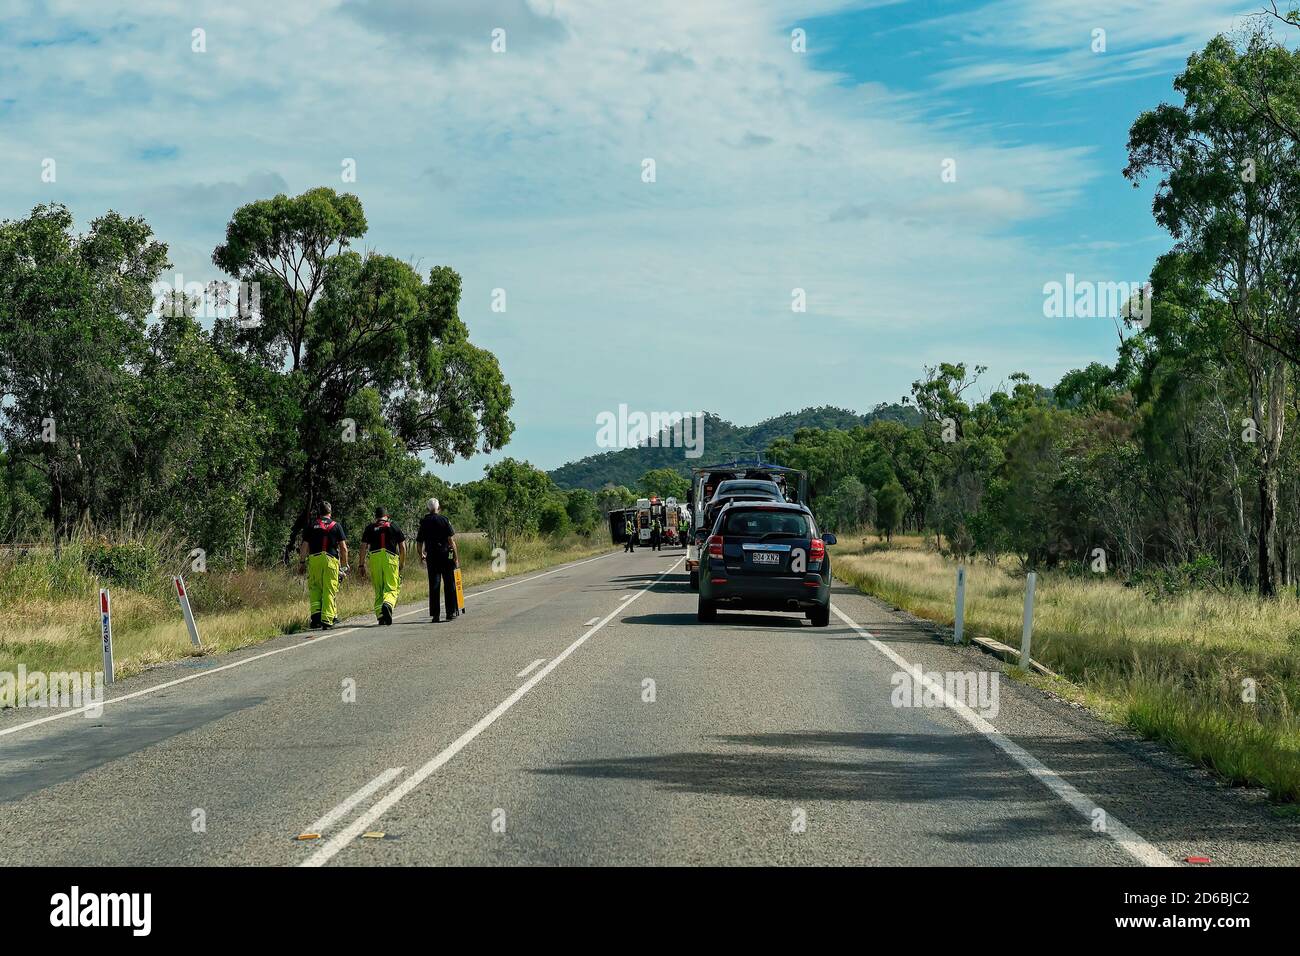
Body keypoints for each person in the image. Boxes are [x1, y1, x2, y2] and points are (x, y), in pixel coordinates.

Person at [300, 502, 348, 630]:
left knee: (315, 587)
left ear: (319, 512)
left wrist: (302, 562)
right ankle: (327, 619)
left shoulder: (311, 525)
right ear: (330, 512)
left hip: (314, 559)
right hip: (330, 560)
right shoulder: (336, 526)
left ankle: (315, 618)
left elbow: (304, 545)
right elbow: (343, 548)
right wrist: (344, 565)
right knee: (329, 588)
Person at [359, 506, 406, 626]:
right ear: (387, 516)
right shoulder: (394, 526)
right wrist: (401, 562)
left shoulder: (370, 528)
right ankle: (388, 604)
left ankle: (380, 616)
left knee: (379, 588)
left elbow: (363, 547)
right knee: (391, 587)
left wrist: (361, 564)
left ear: (376, 517)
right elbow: (402, 547)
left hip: (374, 558)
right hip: (390, 557)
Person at [417, 497, 459, 622]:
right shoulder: (444, 520)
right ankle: (450, 612)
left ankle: (435, 615)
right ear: (438, 508)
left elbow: (419, 543)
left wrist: (421, 555)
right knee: (449, 583)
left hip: (432, 557)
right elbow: (451, 541)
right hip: (446, 555)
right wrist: (456, 558)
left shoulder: (424, 522)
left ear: (428, 509)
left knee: (434, 585)